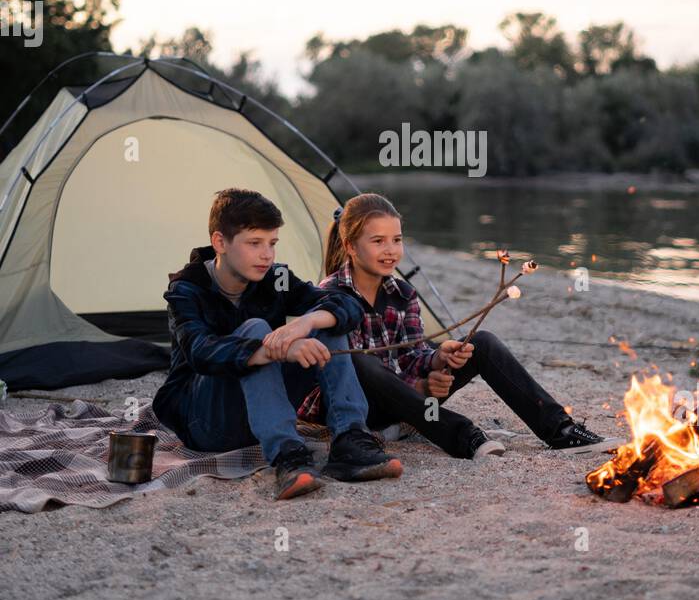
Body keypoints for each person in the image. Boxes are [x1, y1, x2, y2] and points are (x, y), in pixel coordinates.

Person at [295, 192, 606, 460]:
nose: (390, 251)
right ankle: (461, 434)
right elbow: (353, 376)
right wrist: (419, 387)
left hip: (407, 404)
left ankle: (560, 431)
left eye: (397, 240)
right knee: (358, 362)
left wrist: (438, 360)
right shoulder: (331, 294)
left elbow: (412, 355)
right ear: (350, 246)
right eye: (378, 241)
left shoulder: (402, 294)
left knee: (480, 342)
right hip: (354, 408)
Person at [152, 188, 402, 500]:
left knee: (326, 320)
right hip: (208, 423)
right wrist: (271, 348)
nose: (267, 255)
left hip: (261, 412)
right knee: (257, 328)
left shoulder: (274, 278)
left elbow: (347, 302)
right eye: (254, 243)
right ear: (220, 242)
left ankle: (349, 440)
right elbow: (201, 352)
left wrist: (307, 322)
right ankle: (288, 456)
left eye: (272, 243)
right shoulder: (186, 290)